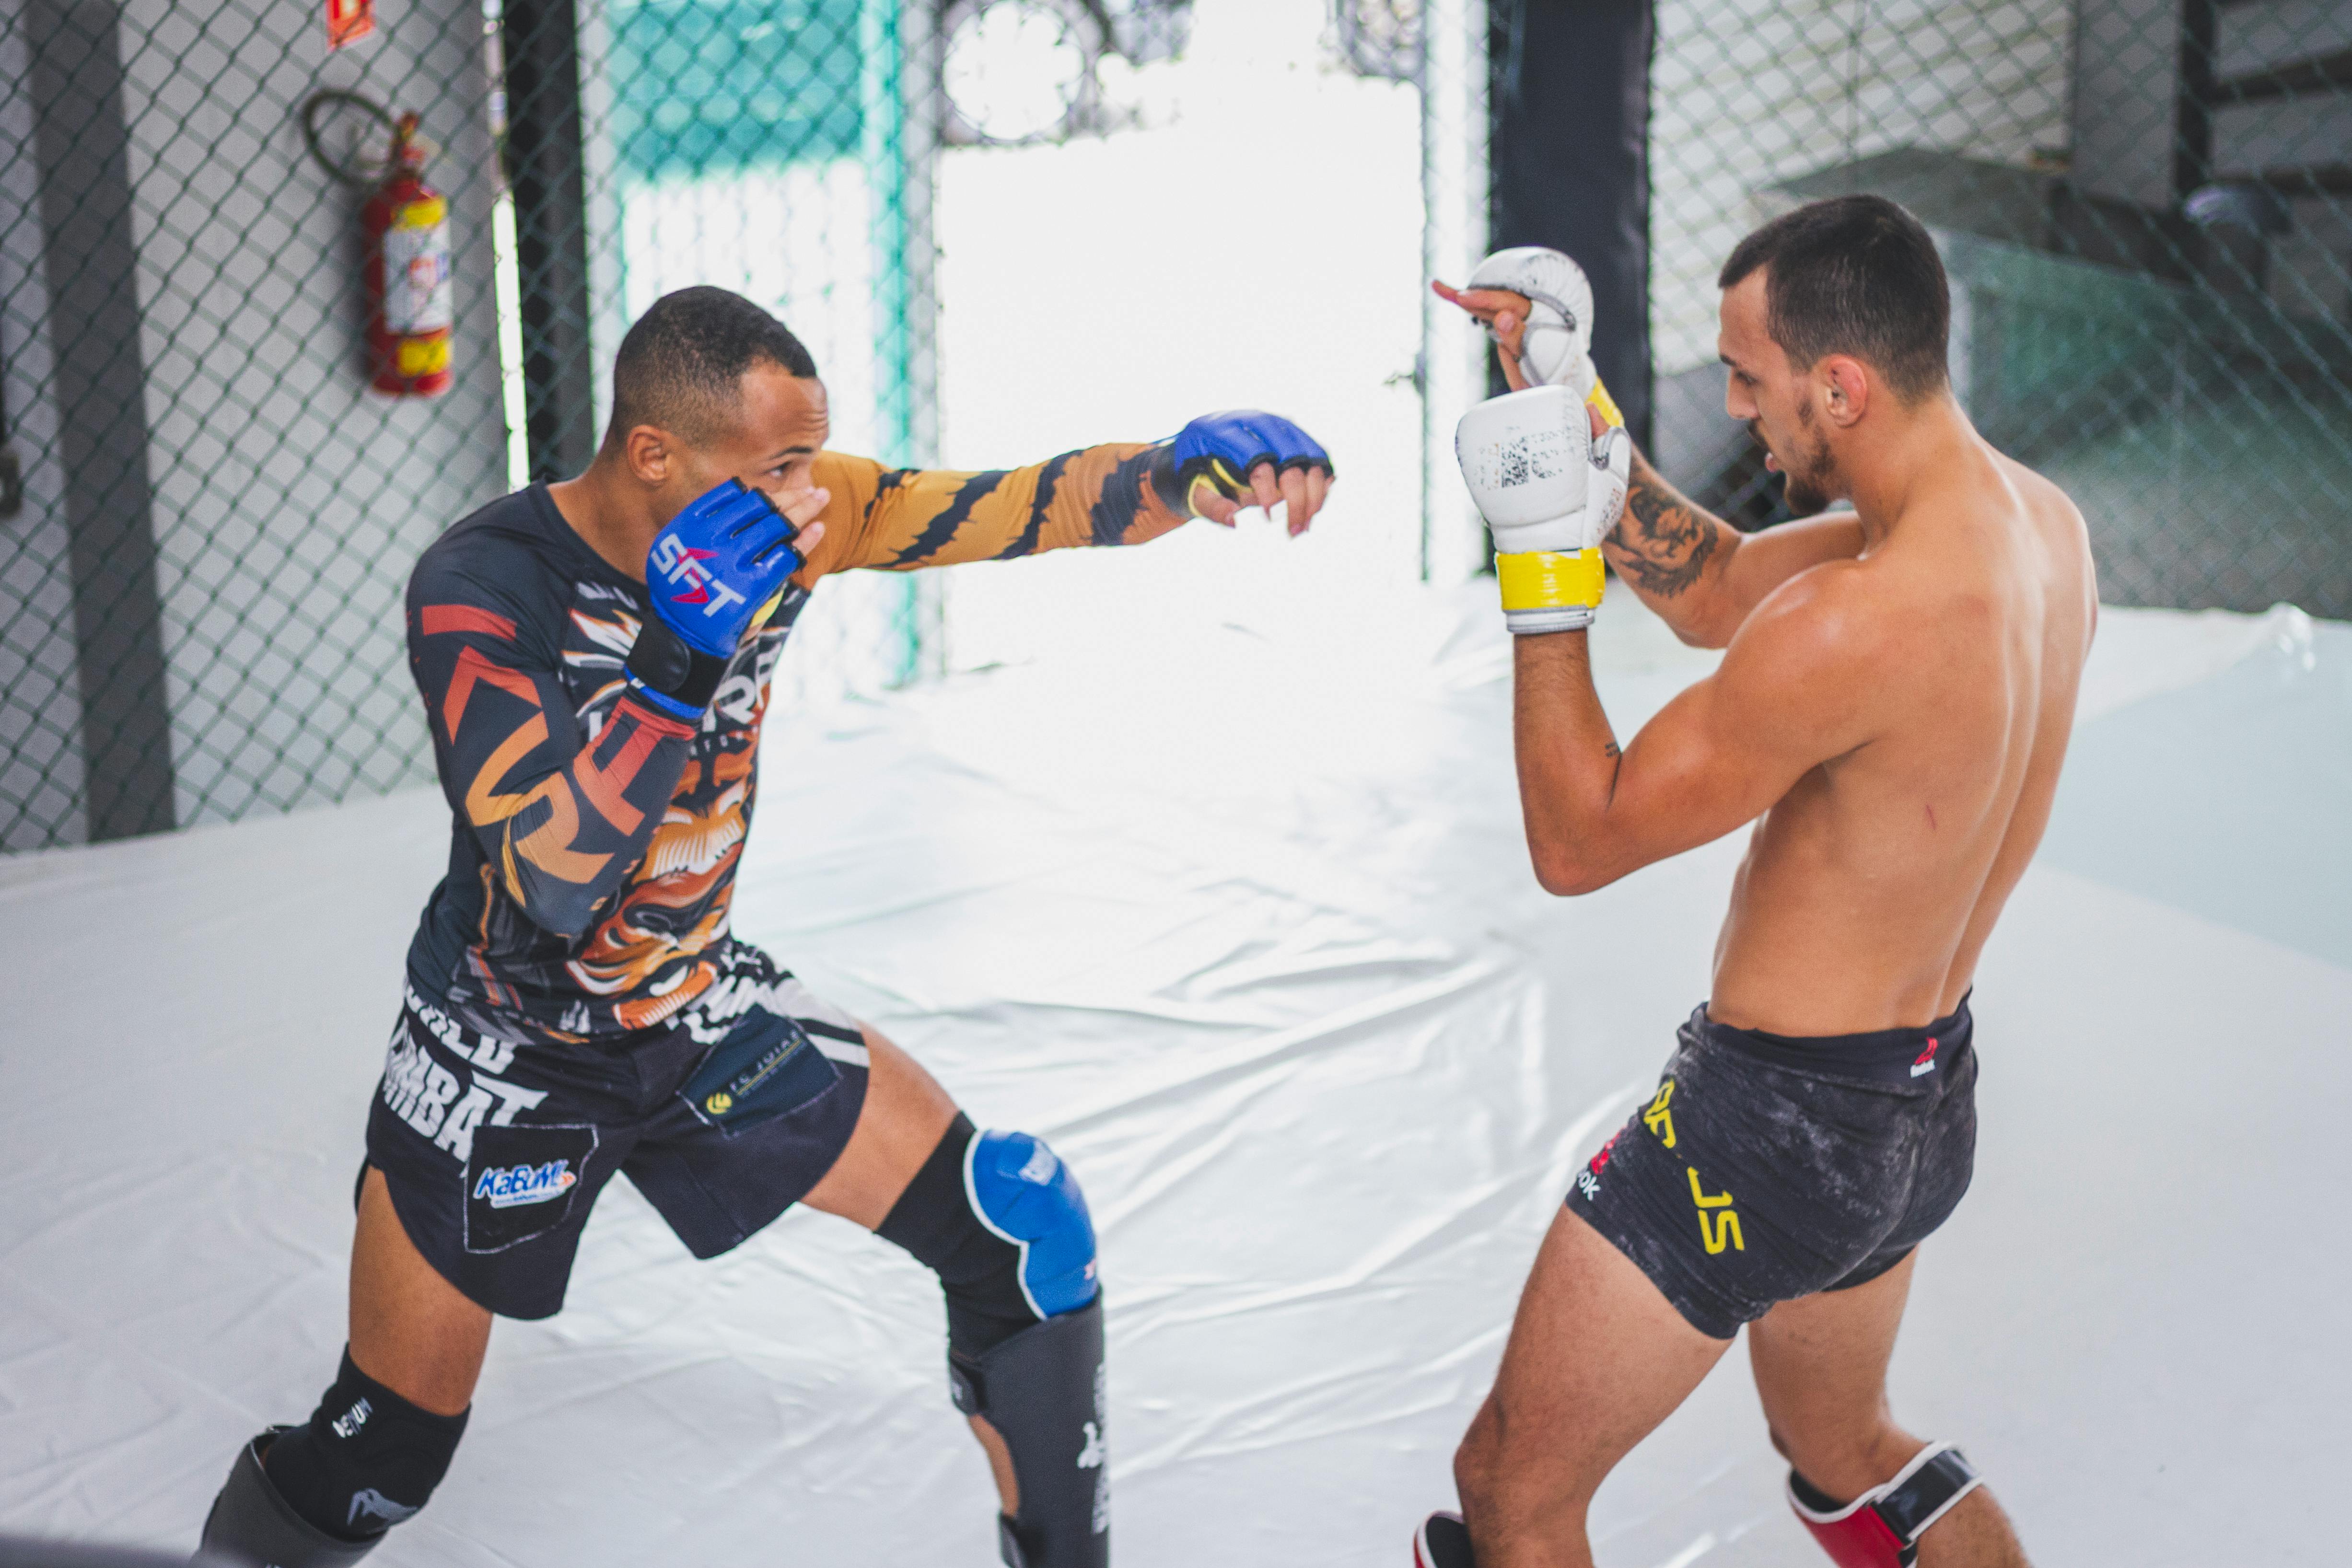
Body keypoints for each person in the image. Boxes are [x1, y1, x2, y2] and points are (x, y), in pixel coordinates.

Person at [194, 285, 1334, 1568]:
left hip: (692, 1008)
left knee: (1023, 1232)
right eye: (773, 467)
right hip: (506, 1052)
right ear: (652, 455)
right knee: (381, 1459)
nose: (806, 498)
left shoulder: (796, 518)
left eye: (812, 459)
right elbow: (549, 882)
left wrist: (1180, 471)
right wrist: (673, 660)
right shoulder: (480, 586)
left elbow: (1016, 507)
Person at [1415, 196, 2090, 1567]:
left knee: (1512, 1489)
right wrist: (1571, 401)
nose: (1732, 409)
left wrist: (1540, 562)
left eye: (1747, 377)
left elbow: (1577, 840)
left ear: (1837, 386)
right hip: (1915, 1109)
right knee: (1845, 1455)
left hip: (1767, 1134)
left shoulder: (1853, 624)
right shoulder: (2034, 527)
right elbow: (1718, 590)